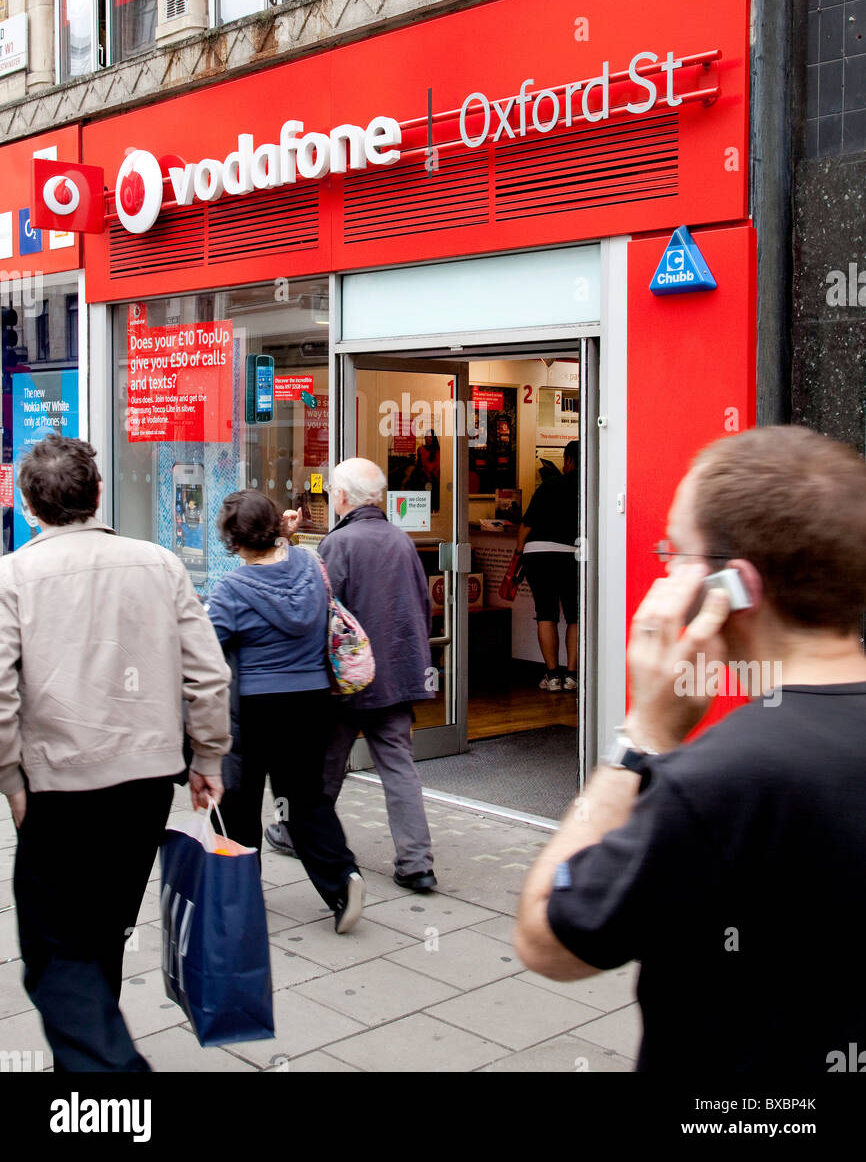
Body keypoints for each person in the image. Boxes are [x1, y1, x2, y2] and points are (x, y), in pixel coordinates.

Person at [515, 425, 866, 1073]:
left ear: (735, 587)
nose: (667, 572)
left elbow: (547, 936)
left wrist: (645, 734)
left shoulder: (718, 779)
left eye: (678, 555)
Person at [0, 435, 232, 1073]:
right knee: (102, 926)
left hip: (58, 787)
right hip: (146, 782)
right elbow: (208, 676)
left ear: (26, 505)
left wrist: (11, 779)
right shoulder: (160, 564)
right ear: (98, 496)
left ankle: (111, 1078)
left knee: (53, 950)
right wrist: (208, 759)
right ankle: (89, 1054)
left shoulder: (13, 575)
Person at [266, 458, 437, 893]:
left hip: (346, 681)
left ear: (341, 496)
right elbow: (424, 606)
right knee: (399, 768)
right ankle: (417, 863)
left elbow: (317, 608)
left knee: (324, 766)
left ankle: (293, 833)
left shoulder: (340, 544)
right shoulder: (401, 541)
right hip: (395, 677)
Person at [205, 489, 364, 933]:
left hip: (255, 709)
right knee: (305, 799)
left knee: (239, 801)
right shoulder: (311, 567)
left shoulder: (232, 590)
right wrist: (283, 532)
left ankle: (240, 900)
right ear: (276, 529)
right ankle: (342, 880)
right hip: (312, 700)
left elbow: (207, 651)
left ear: (232, 540)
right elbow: (284, 553)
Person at [513, 439, 580, 692]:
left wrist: (518, 554)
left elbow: (526, 526)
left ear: (569, 461)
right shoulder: (590, 487)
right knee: (575, 615)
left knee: (546, 614)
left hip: (538, 554)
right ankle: (572, 676)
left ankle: (552, 676)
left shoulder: (549, 485)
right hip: (572, 554)